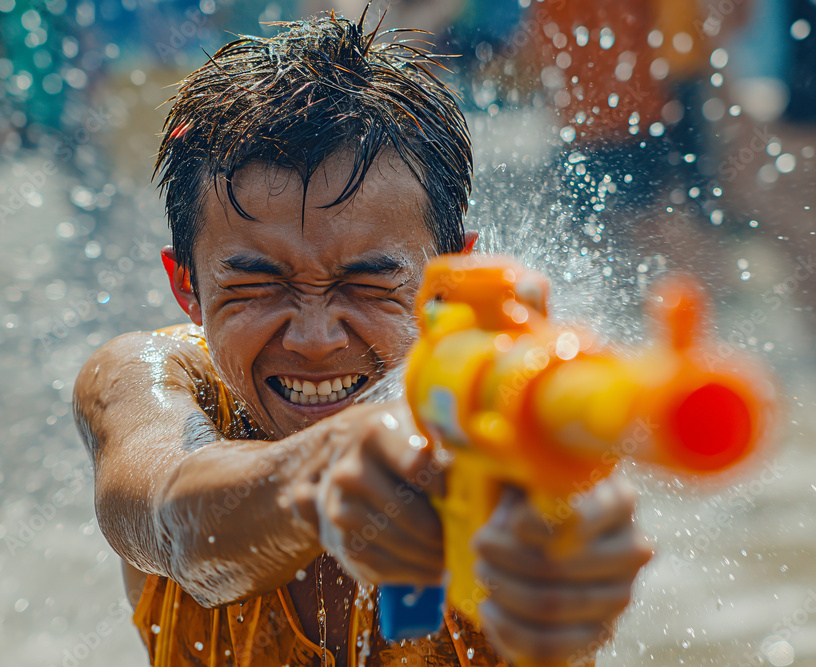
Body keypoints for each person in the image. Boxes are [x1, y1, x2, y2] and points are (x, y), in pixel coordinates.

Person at [72, 10, 652, 666]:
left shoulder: (502, 412)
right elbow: (176, 524)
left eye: (368, 282)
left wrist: (564, 570)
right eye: (258, 285)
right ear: (187, 287)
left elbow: (563, 555)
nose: (316, 338)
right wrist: (328, 475)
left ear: (451, 280)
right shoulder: (150, 378)